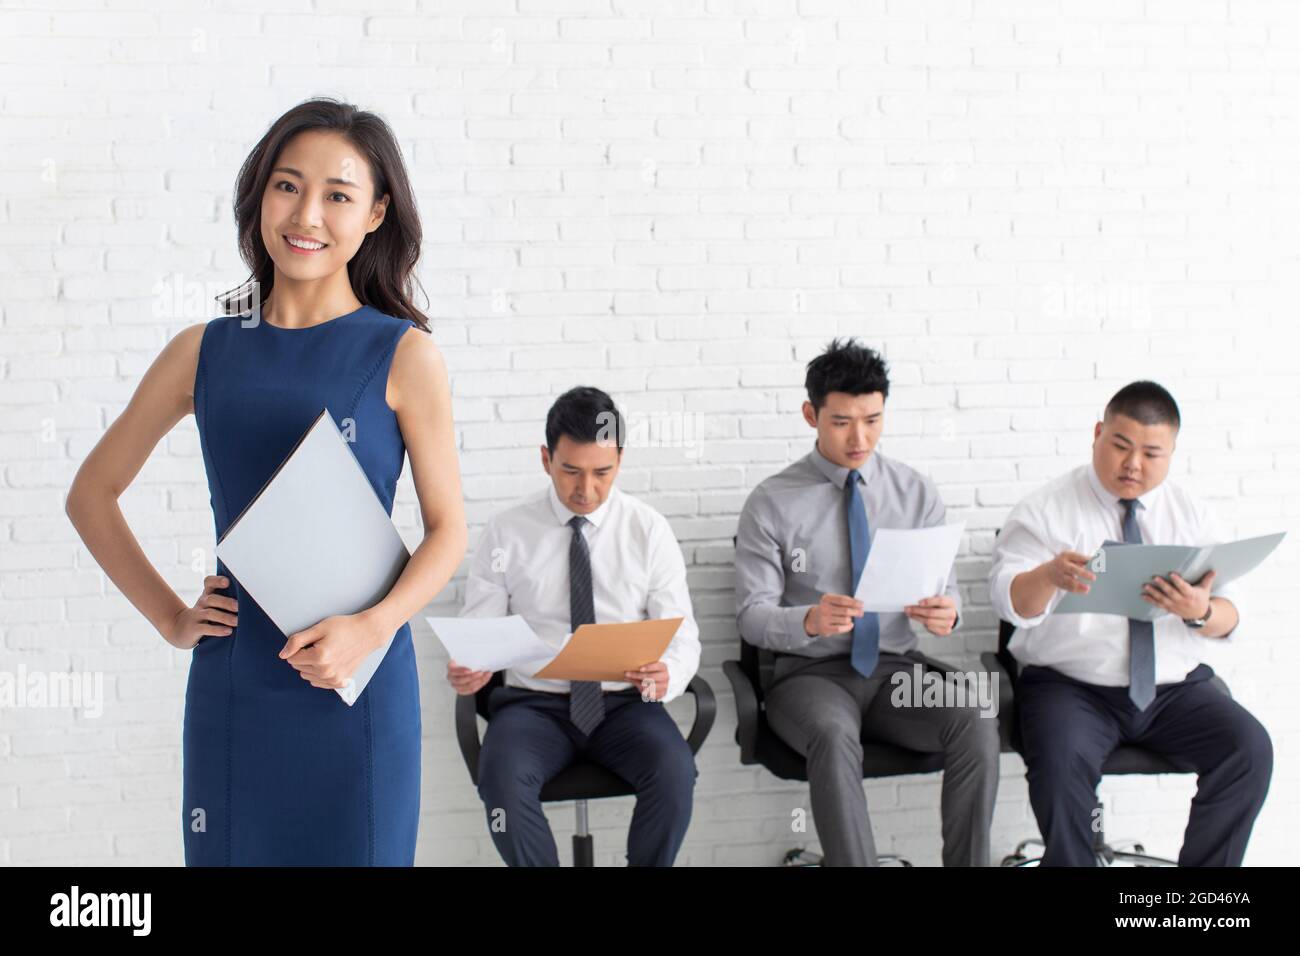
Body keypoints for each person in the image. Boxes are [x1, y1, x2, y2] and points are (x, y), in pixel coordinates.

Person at [65, 98, 468, 865]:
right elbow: (91, 493)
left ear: (377, 213)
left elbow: (449, 531)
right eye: (287, 186)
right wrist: (171, 618)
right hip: (237, 680)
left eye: (338, 195)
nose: (306, 213)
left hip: (357, 682)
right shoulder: (203, 350)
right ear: (259, 195)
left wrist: (373, 627)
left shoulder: (405, 355)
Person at [735, 338, 998, 866]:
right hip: (811, 677)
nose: (860, 438)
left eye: (873, 420)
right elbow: (752, 616)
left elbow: (944, 587)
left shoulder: (915, 491)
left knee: (975, 716)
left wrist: (948, 609)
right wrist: (807, 618)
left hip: (895, 673)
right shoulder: (771, 501)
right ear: (812, 414)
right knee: (833, 737)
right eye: (841, 422)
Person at [990, 380, 1272, 866]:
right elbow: (1008, 598)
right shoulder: (1046, 509)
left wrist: (1199, 611)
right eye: (1120, 446)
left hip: (1172, 692)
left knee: (1248, 748)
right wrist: (1048, 576)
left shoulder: (1192, 514)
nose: (1132, 465)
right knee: (1060, 764)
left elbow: (1232, 612)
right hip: (1071, 688)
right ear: (1098, 433)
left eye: (1151, 453)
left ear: (1172, 453)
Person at [450, 386, 701, 866]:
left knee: (674, 773)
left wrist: (669, 672)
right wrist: (470, 667)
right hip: (534, 707)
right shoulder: (508, 531)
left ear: (620, 460)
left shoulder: (648, 530)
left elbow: (682, 635)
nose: (586, 489)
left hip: (625, 705)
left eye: (602, 472)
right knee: (500, 781)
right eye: (571, 471)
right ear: (546, 459)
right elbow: (477, 631)